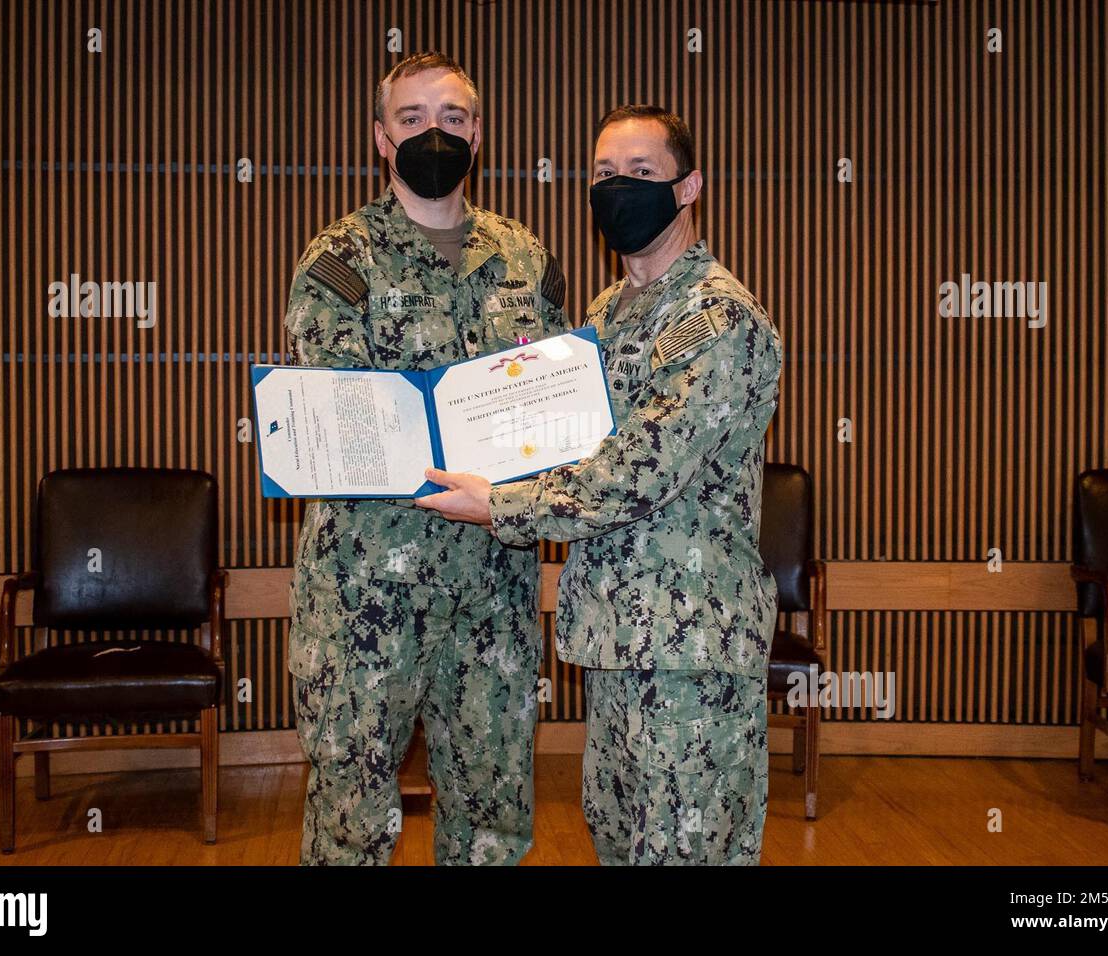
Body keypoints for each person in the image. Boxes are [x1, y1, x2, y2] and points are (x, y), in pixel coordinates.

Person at [417, 105, 783, 865]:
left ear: (689, 189)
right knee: (620, 848)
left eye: (642, 174)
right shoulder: (603, 317)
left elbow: (635, 473)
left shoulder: (717, 316)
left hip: (690, 651)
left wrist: (500, 504)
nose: (619, 190)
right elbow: (558, 443)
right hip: (615, 643)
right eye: (605, 175)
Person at [283, 52, 568, 865]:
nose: (432, 133)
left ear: (477, 132)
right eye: (411, 119)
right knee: (351, 822)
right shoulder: (339, 261)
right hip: (365, 596)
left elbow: (549, 410)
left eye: (452, 117)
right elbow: (341, 418)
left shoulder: (526, 259)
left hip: (493, 595)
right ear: (381, 137)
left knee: (492, 817)